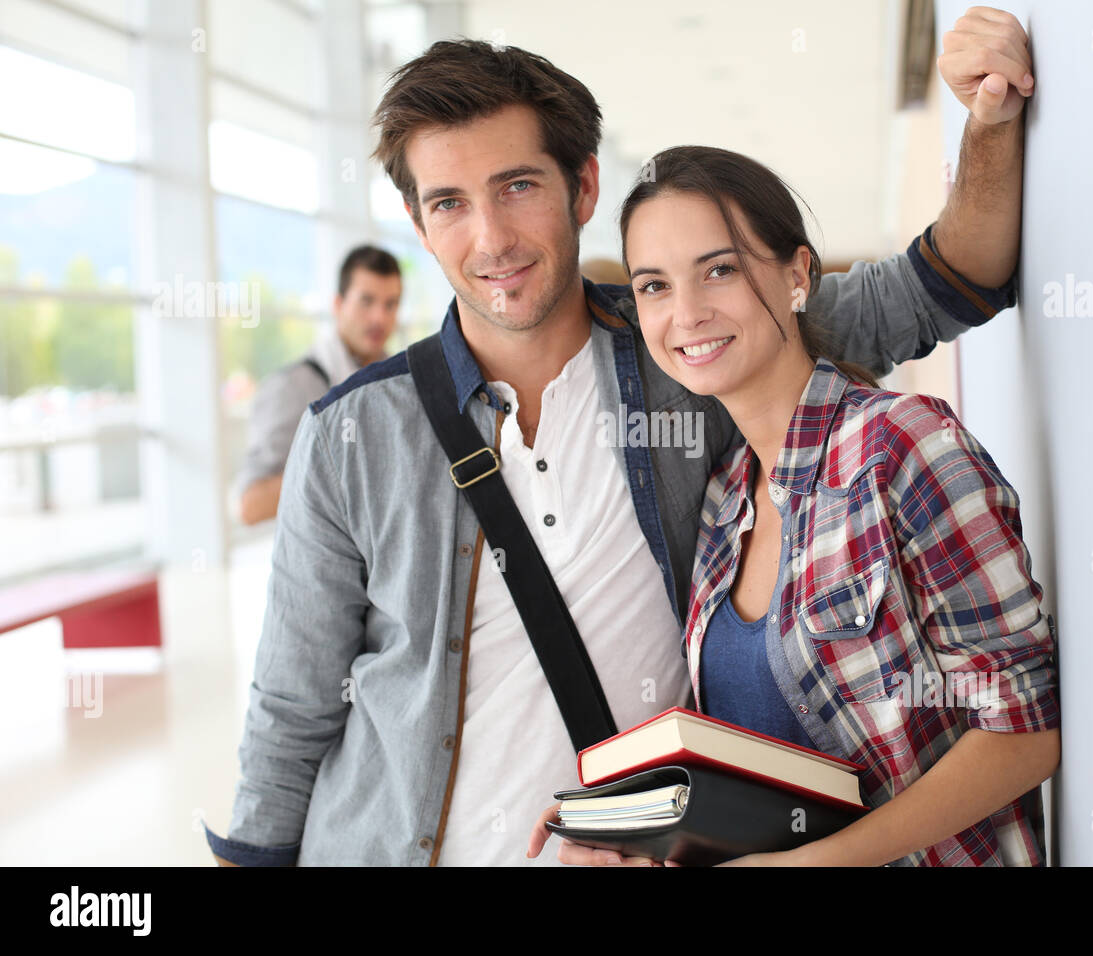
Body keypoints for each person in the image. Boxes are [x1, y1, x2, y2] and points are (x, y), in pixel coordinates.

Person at [204, 7, 1037, 866]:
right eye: (449, 203)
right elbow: (291, 710)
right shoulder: (351, 434)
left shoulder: (688, 347)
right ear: (418, 226)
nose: (490, 238)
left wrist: (989, 118)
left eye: (517, 185)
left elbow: (942, 281)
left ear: (584, 188)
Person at [530, 143, 1060, 867]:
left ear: (798, 275)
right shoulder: (723, 504)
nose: (686, 313)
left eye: (720, 270)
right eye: (653, 286)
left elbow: (1026, 730)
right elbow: (765, 771)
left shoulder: (901, 447)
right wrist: (630, 820)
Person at [235, 244, 402, 524]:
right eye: (366, 301)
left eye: (391, 304)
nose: (379, 318)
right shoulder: (292, 387)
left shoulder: (401, 384)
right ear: (338, 305)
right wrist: (346, 461)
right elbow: (251, 505)